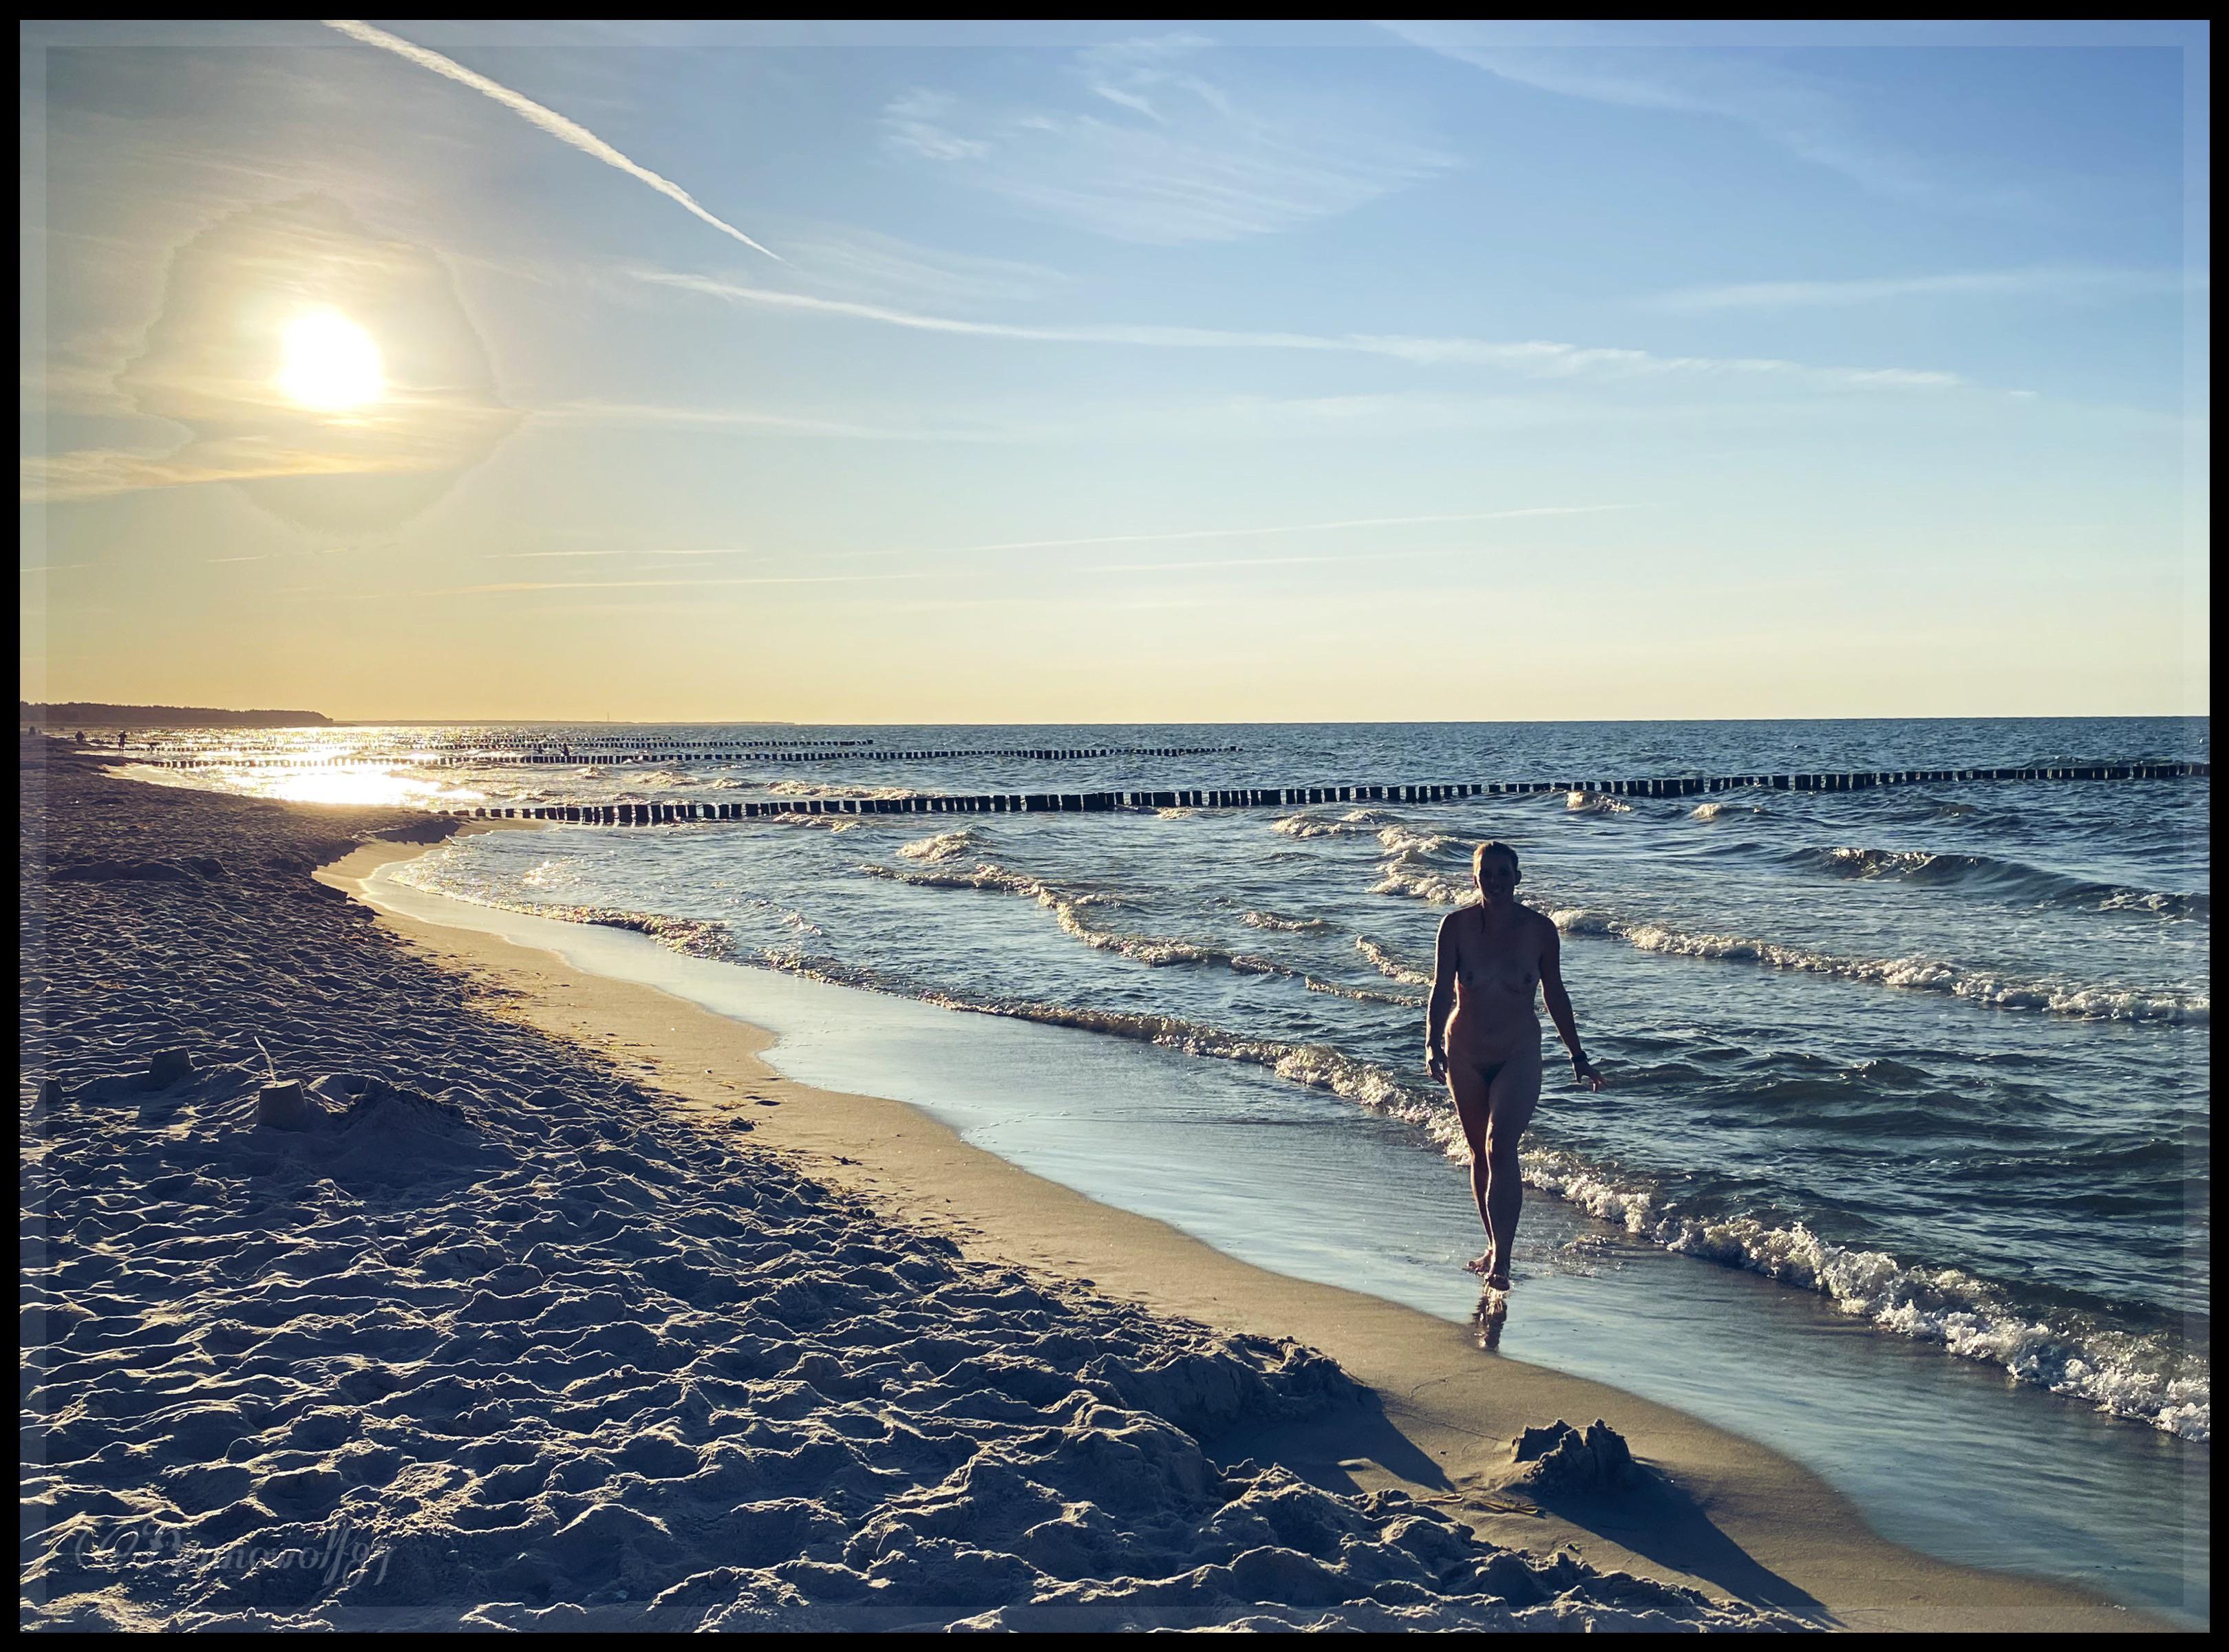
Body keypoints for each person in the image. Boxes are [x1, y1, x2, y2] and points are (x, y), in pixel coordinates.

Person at [1426, 840, 1603, 1294]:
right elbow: (1441, 989)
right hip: (1463, 1051)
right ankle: (1492, 1243)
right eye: (1487, 873)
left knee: (1499, 1144)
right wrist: (1430, 1042)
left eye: (1503, 873)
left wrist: (1577, 1055)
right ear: (1475, 878)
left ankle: (1502, 1259)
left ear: (1517, 877)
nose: (1495, 881)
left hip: (1518, 1053)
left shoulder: (1539, 930)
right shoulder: (1455, 926)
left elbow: (1555, 994)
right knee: (1478, 1151)